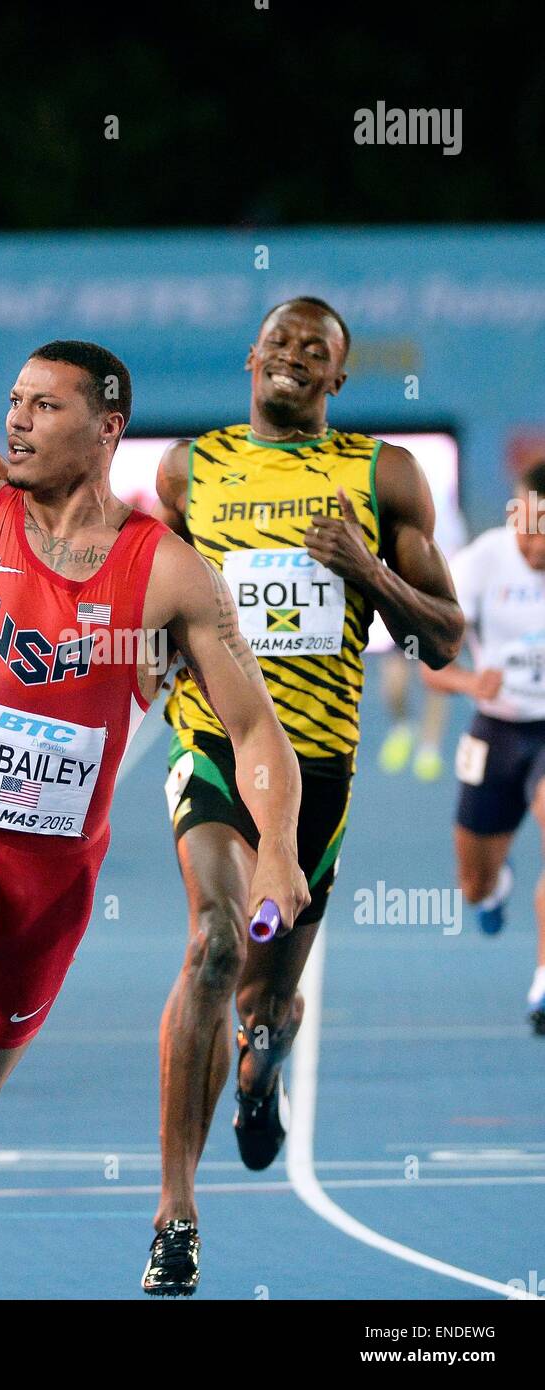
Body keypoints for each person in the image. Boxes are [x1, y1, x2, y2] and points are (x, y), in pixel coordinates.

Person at [0, 81, 309, 1301]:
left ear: (109, 426)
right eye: (14, 402)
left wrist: (283, 849)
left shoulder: (168, 576)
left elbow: (252, 730)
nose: (16, 419)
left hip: (54, 872)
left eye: (46, 406)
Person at [147, 295, 464, 1295]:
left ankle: (261, 1056)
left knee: (265, 991)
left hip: (316, 772)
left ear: (336, 377)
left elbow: (445, 639)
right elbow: (145, 587)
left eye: (314, 349)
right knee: (210, 943)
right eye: (279, 339)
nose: (292, 355)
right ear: (250, 357)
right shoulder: (187, 470)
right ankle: (173, 1211)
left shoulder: (381, 475)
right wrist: (150, 646)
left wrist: (367, 569)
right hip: (209, 751)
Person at [421, 463, 545, 1033]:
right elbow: (431, 663)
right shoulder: (480, 564)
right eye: (527, 528)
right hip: (496, 733)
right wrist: (474, 682)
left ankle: (543, 981)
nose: (534, 544)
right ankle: (495, 888)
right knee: (472, 883)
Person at [379, 498, 468, 780]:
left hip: (434, 614)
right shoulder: (397, 522)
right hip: (405, 612)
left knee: (436, 680)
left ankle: (429, 747)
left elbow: (460, 571)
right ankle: (403, 726)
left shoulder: (451, 523)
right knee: (394, 684)